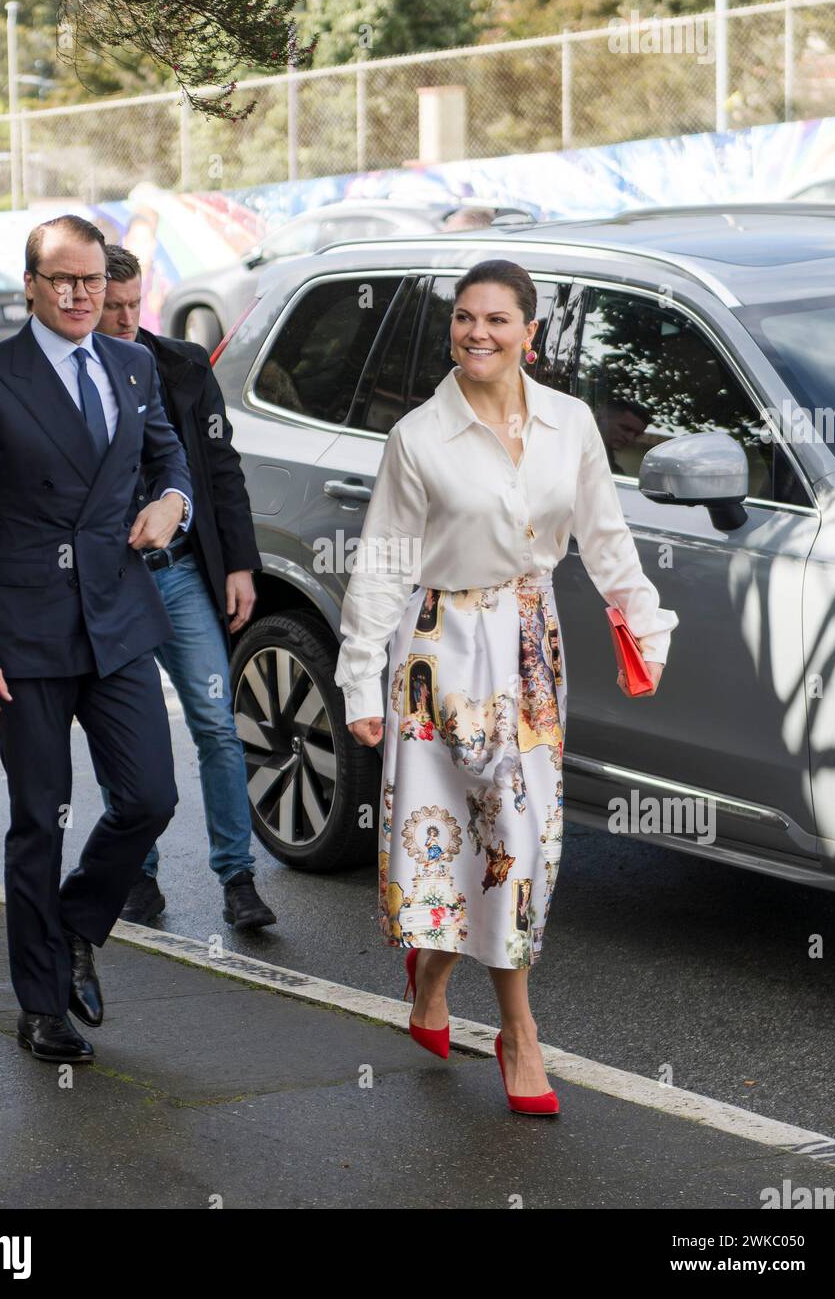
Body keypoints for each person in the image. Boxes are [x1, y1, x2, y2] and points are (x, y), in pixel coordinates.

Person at [334, 258, 679, 1115]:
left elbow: (605, 535)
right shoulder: (418, 436)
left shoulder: (568, 425)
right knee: (453, 839)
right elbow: (380, 565)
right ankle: (520, 1038)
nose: (475, 334)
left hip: (528, 645)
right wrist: (359, 685)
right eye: (462, 318)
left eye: (495, 320)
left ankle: (432, 983)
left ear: (530, 332)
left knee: (514, 842)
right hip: (438, 650)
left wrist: (643, 621)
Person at [0, 214, 194, 1064]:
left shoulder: (134, 363)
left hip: (115, 623)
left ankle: (76, 923)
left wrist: (173, 503)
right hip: (22, 638)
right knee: (38, 819)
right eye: (64, 280)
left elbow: (169, 458)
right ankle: (41, 1006)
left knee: (151, 797)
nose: (82, 295)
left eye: (93, 281)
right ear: (32, 286)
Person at [97, 246, 274, 931]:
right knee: (127, 738)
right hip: (108, 591)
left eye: (131, 304)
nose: (121, 318)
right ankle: (137, 877)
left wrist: (237, 565)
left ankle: (238, 879)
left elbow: (219, 467)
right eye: (110, 305)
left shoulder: (181, 364)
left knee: (216, 726)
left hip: (180, 576)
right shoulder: (69, 375)